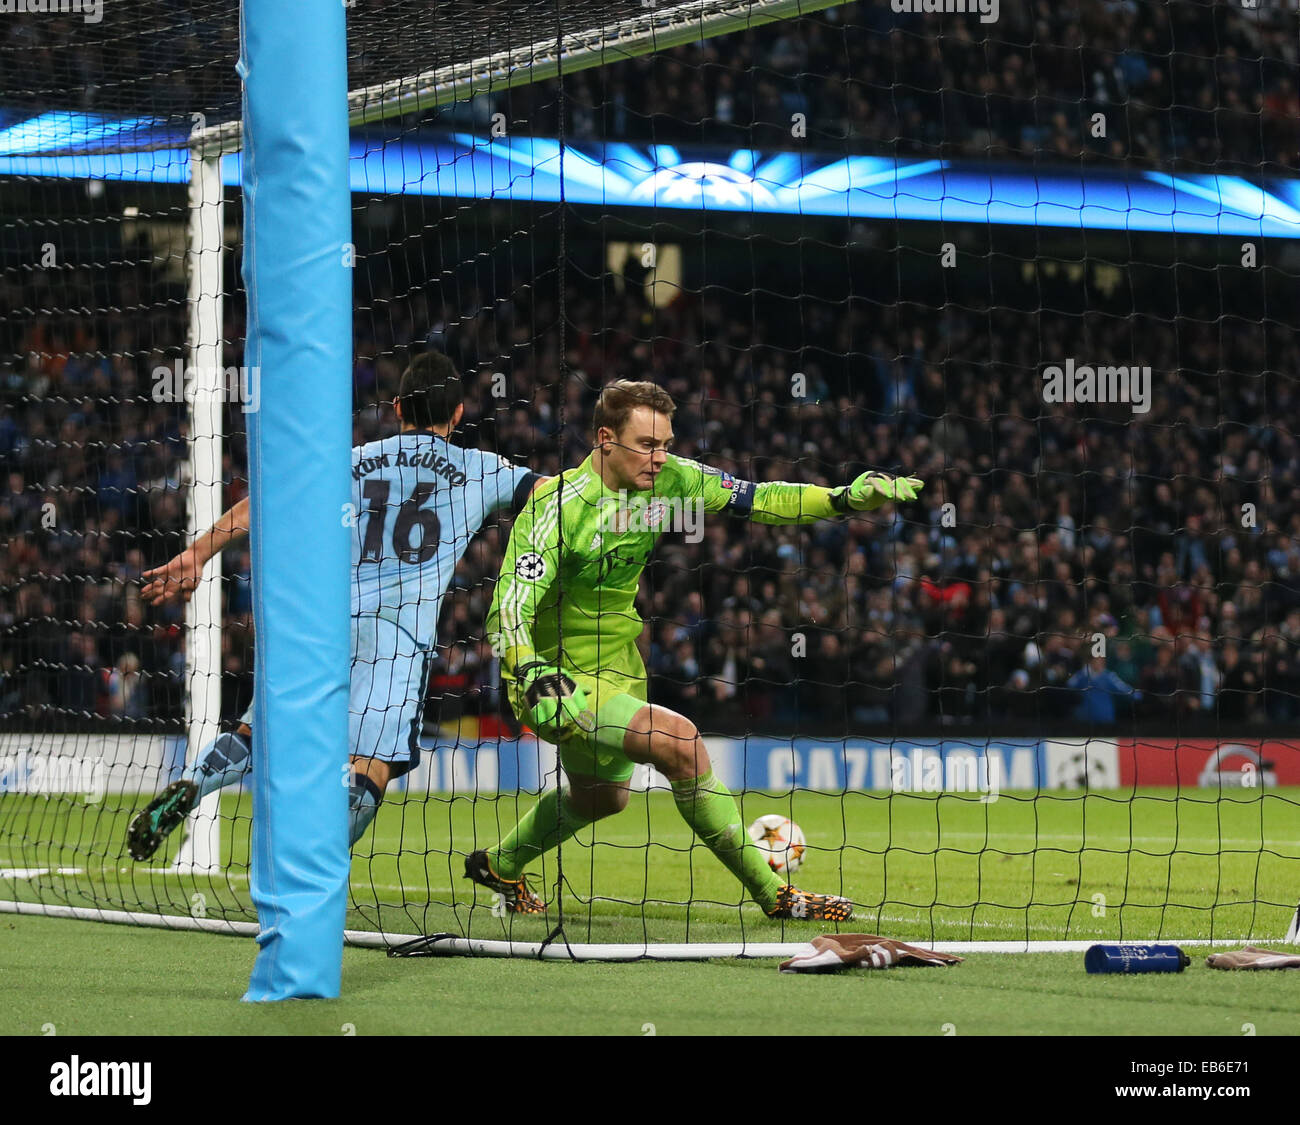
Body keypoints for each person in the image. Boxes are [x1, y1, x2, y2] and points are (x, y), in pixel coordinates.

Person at [468, 379, 924, 921]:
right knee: (681, 743)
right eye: (646, 445)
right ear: (605, 438)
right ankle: (778, 897)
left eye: (665, 444)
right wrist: (532, 672)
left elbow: (759, 498)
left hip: (621, 668)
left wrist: (843, 499)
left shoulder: (675, 478)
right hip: (555, 681)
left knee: (602, 800)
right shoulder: (557, 508)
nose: (659, 458)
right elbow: (507, 610)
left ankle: (498, 865)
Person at [127, 351, 542, 860]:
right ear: (457, 415)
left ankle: (193, 783)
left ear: (396, 407)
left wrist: (195, 555)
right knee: (372, 762)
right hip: (396, 638)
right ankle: (314, 867)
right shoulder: (482, 470)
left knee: (255, 731)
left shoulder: (351, 461)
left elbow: (265, 499)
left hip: (323, 624)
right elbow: (552, 493)